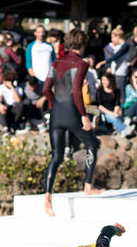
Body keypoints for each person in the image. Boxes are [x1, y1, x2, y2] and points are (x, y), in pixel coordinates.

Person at [41, 28, 101, 216]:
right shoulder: (81, 63)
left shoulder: (57, 62)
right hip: (73, 113)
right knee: (91, 143)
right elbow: (76, 91)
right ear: (82, 44)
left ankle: (48, 197)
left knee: (56, 156)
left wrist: (54, 104)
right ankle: (88, 186)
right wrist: (83, 115)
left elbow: (45, 89)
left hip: (56, 114)